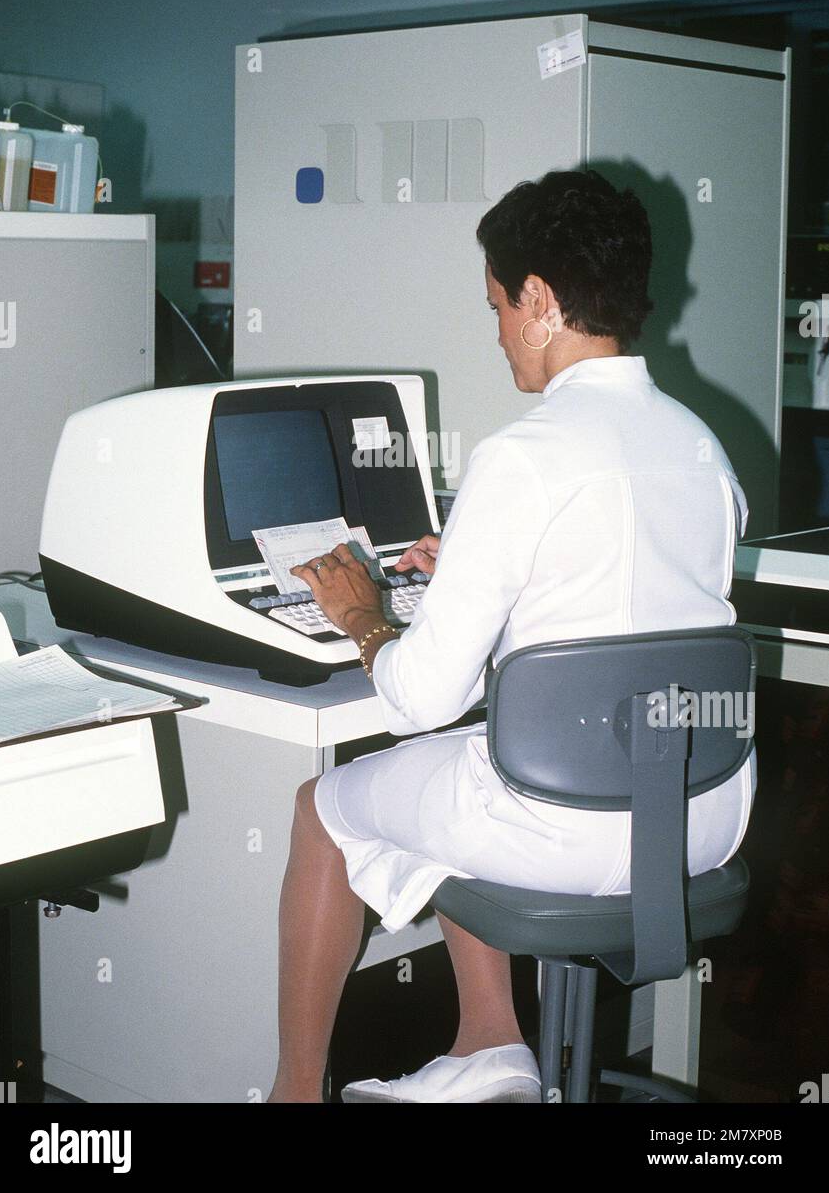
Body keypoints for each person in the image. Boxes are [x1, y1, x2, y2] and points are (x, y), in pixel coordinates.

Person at [266, 168, 757, 1104]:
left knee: (321, 807)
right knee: (474, 762)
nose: (496, 333)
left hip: (564, 829)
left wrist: (362, 615)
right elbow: (633, 605)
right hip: (699, 815)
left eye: (497, 306)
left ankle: (291, 1092)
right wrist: (491, 564)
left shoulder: (522, 455)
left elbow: (422, 697)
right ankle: (490, 1044)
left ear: (539, 302)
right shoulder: (702, 444)